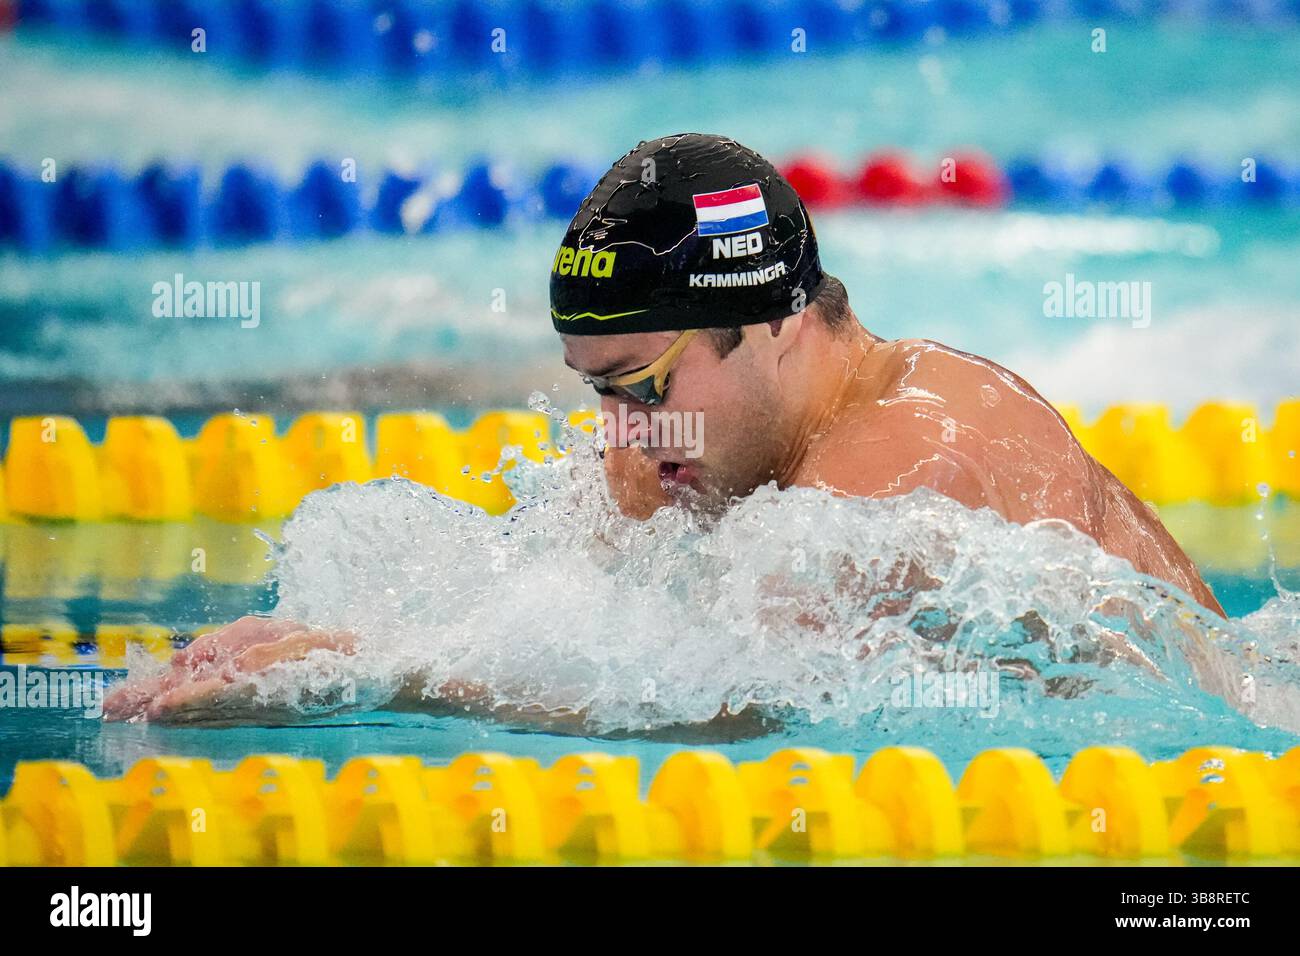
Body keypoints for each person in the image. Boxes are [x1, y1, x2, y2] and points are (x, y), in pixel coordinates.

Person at [104, 132, 1222, 723]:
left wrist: (369, 676)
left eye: (645, 383)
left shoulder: (917, 451)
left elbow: (724, 696)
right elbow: (574, 616)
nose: (630, 436)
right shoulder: (689, 434)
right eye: (602, 392)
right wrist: (327, 630)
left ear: (777, 321)